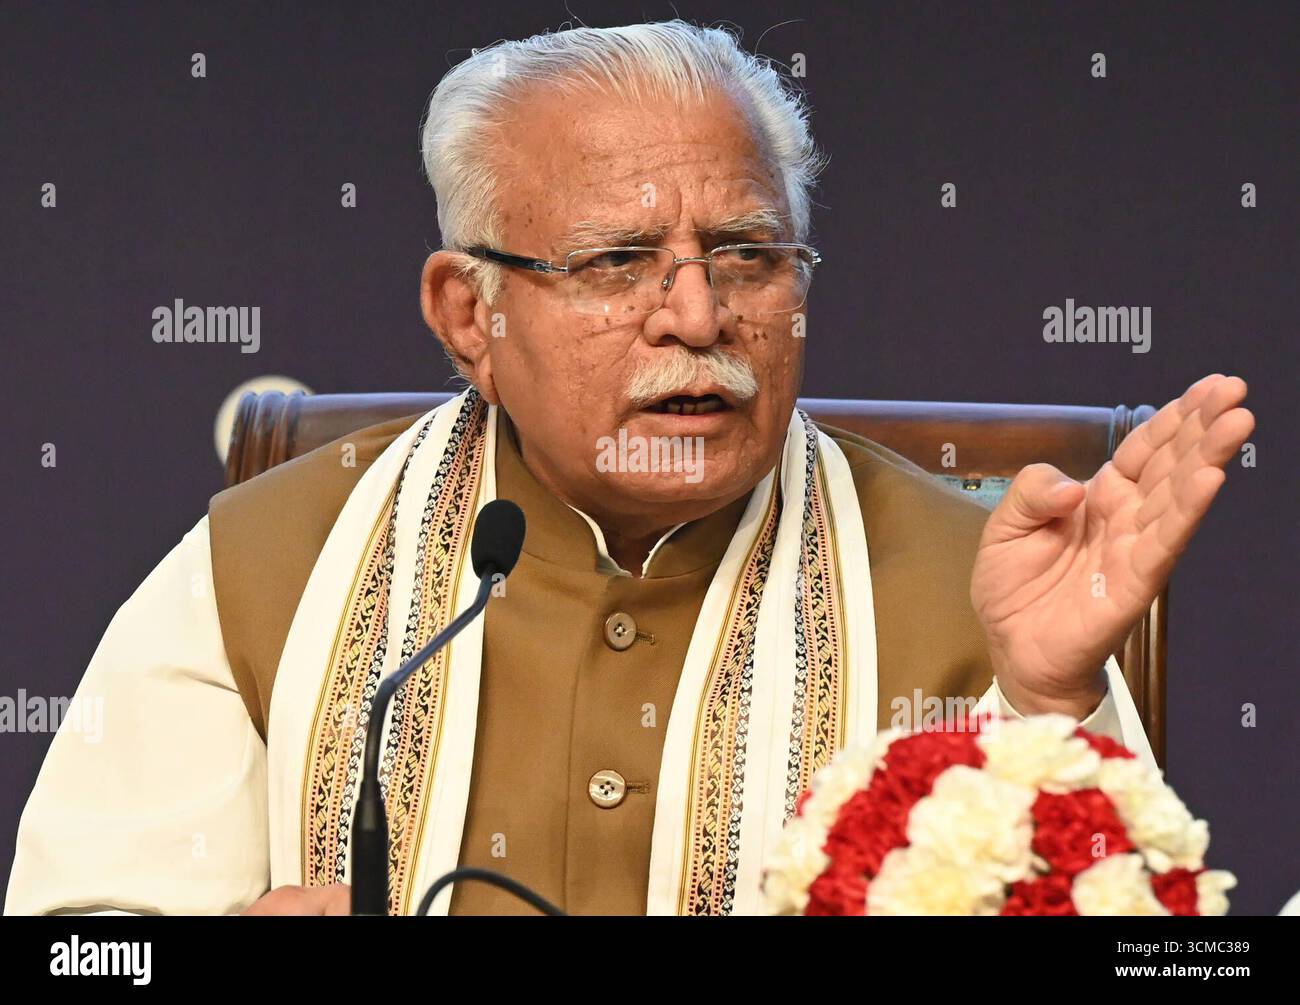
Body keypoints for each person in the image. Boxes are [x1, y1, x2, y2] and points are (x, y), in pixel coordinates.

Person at [5, 21, 1253, 917]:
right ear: (467, 316)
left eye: (749, 254)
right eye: (615, 264)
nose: (699, 316)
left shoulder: (974, 584)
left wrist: (1044, 710)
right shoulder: (263, 565)